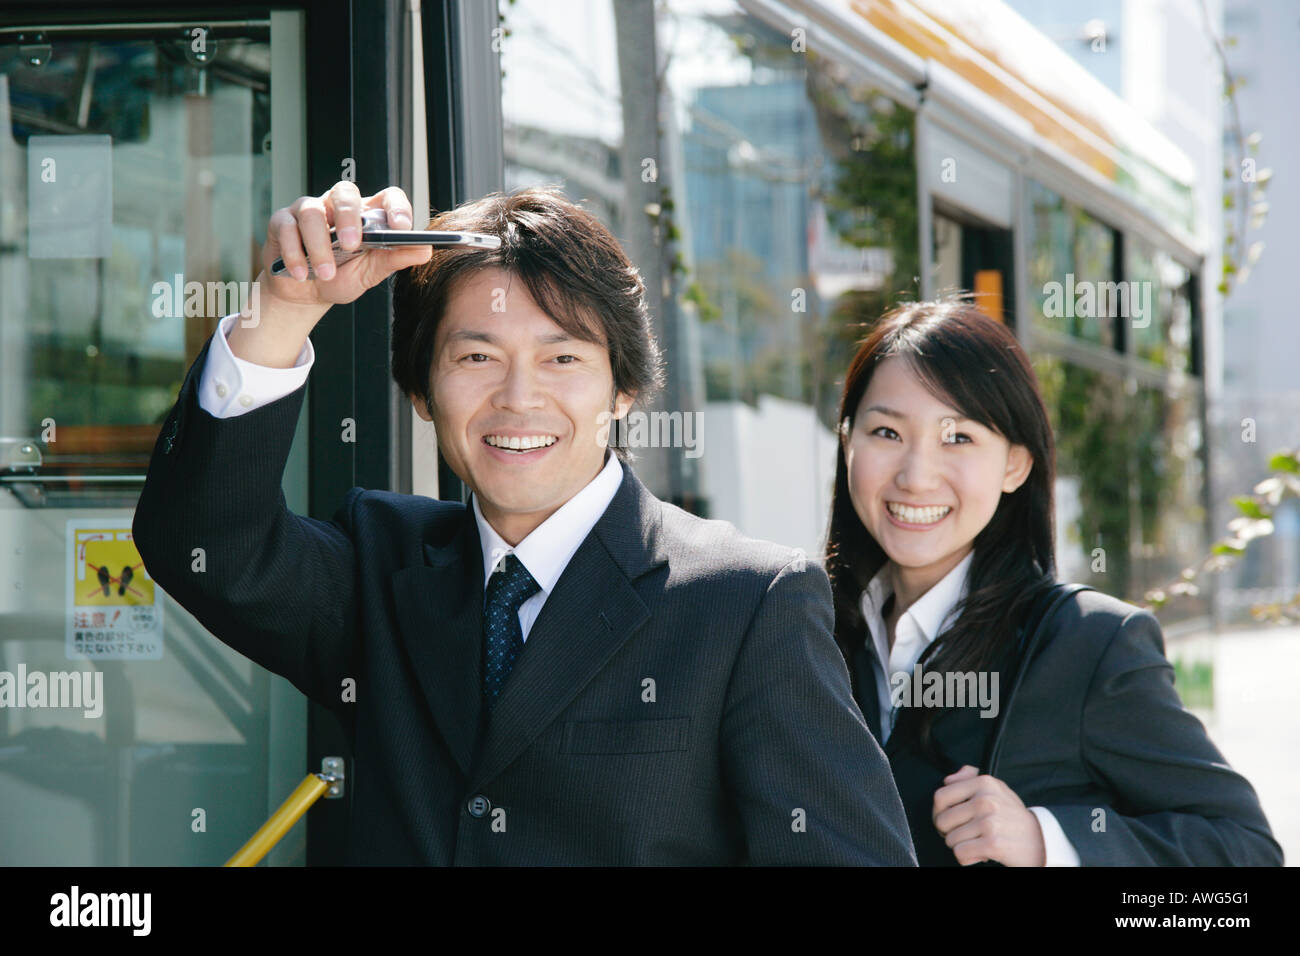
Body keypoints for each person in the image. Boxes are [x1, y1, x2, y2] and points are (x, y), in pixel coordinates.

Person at [132, 180, 916, 866]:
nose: (518, 398)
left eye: (562, 359)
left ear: (623, 390)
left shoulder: (746, 602)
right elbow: (203, 546)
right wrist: (283, 312)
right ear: (420, 393)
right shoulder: (382, 568)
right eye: (475, 358)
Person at [824, 297, 1284, 866]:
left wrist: (1047, 841)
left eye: (958, 438)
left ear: (1016, 465)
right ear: (848, 442)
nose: (916, 475)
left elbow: (1245, 853)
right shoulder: (804, 630)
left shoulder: (1088, 644)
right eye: (886, 432)